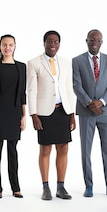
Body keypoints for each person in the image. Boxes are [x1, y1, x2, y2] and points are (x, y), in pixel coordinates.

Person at [72, 29, 107, 198]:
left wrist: (101, 102)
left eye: (98, 40)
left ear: (102, 42)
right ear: (86, 40)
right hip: (86, 111)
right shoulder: (77, 61)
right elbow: (77, 86)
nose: (95, 42)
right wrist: (89, 103)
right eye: (91, 39)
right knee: (85, 150)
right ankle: (88, 185)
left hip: (106, 111)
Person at [27, 30, 76, 201]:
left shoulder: (66, 63)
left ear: (59, 44)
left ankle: (61, 187)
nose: (52, 44)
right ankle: (45, 187)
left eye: (56, 42)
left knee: (63, 148)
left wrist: (72, 113)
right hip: (44, 112)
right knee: (45, 149)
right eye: (49, 41)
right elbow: (31, 90)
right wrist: (33, 114)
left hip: (63, 111)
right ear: (44, 43)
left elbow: (69, 89)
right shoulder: (34, 63)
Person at [0, 34, 26, 199]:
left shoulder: (21, 67)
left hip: (15, 113)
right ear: (0, 46)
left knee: (12, 152)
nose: (7, 47)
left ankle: (15, 187)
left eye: (10, 45)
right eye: (4, 44)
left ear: (15, 46)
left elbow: (22, 93)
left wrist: (24, 116)